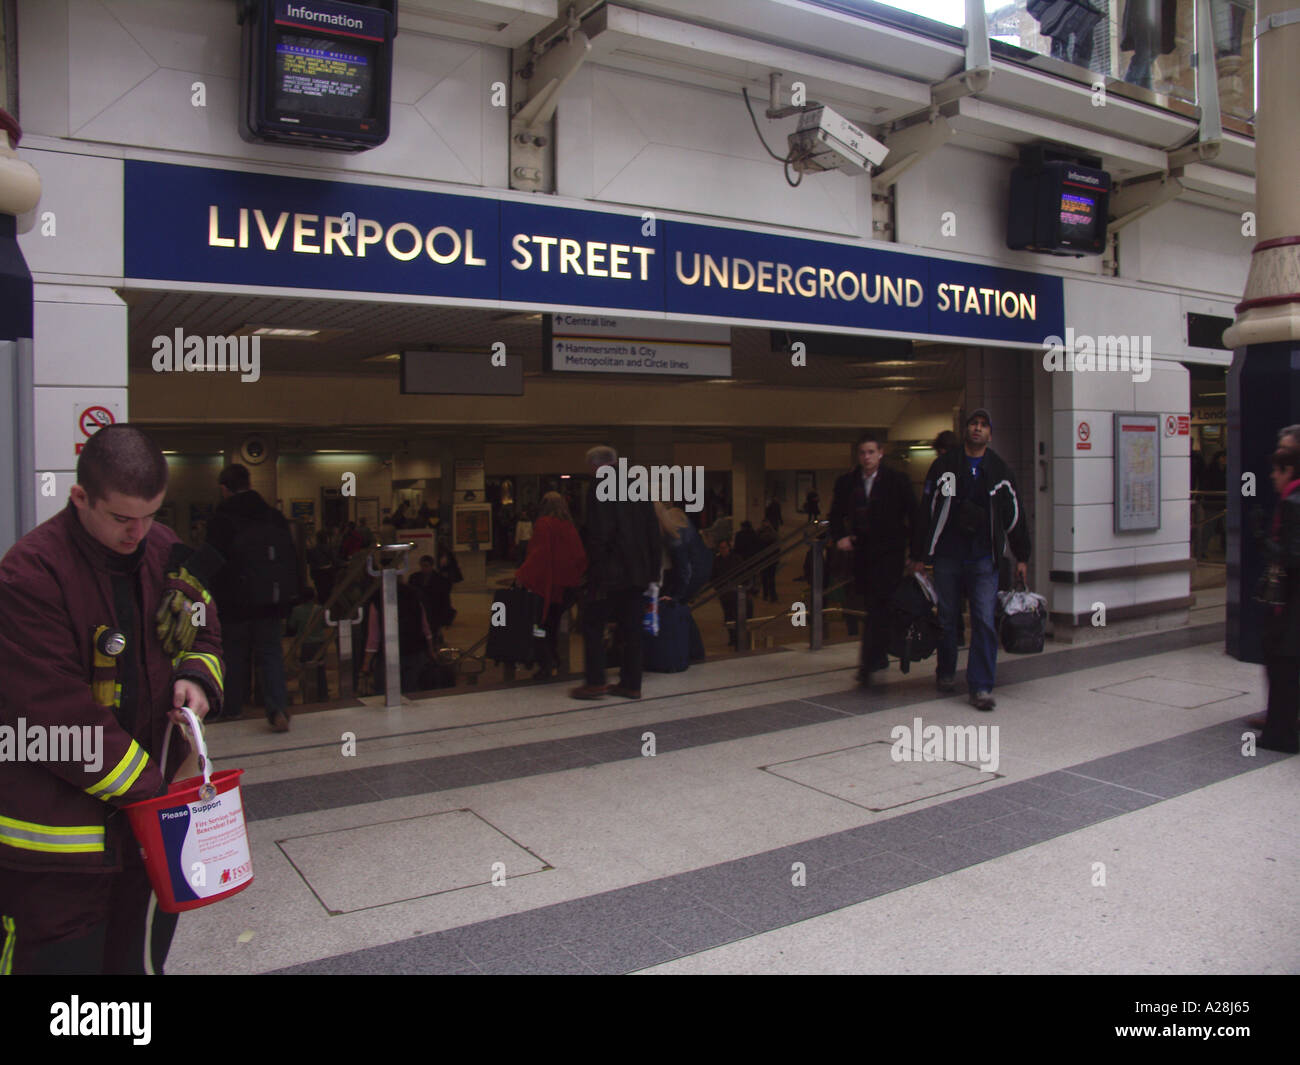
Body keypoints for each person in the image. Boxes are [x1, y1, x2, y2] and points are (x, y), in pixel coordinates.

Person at [0, 424, 225, 974]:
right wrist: (159, 799)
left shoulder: (166, 551)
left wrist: (195, 678)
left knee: (134, 965)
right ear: (80, 498)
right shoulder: (29, 574)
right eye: (122, 518)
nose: (138, 532)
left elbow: (205, 633)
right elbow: (54, 717)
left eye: (151, 514)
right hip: (60, 843)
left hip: (141, 834)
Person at [916, 409, 1031, 711]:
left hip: (983, 556)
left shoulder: (1000, 471)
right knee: (947, 617)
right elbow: (926, 510)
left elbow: (1014, 516)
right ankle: (946, 671)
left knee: (982, 619)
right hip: (948, 555)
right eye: (973, 425)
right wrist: (920, 553)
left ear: (990, 434)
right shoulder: (945, 467)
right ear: (966, 430)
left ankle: (980, 686)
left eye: (983, 426)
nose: (977, 429)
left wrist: (1022, 555)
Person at [205, 463, 299, 732]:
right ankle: (278, 707)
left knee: (233, 655)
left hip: (233, 602)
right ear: (249, 483)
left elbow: (212, 562)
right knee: (270, 654)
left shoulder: (221, 520)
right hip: (270, 601)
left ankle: (231, 708)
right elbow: (290, 558)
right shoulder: (272, 516)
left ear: (224, 489)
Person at [828, 430, 919, 686]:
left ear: (880, 454)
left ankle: (868, 663)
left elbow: (914, 515)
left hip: (890, 552)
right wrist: (839, 537)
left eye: (871, 452)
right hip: (863, 554)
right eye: (862, 453)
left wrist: (916, 553)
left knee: (878, 607)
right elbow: (834, 514)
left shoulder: (897, 481)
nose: (867, 457)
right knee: (874, 606)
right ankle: (878, 657)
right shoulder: (848, 482)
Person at [572, 446, 661, 700]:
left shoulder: (599, 487)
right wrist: (653, 573)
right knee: (632, 629)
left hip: (609, 574)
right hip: (638, 574)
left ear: (594, 466)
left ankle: (595, 681)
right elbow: (653, 532)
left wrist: (594, 571)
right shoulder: (637, 485)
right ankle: (632, 684)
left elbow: (599, 534)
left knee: (592, 625)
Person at [1251, 446, 1300, 753]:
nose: (1272, 477)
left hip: (1290, 602)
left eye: (1276, 471)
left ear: (1288, 472)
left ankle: (1279, 734)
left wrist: (1261, 538)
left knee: (1281, 665)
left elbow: (1291, 555)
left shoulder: (1292, 504)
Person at [516, 492, 588, 680]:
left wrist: (522, 574)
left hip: (547, 588)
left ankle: (545, 662)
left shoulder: (543, 524)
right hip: (567, 589)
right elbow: (580, 557)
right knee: (553, 625)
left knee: (539, 626)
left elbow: (538, 555)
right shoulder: (569, 526)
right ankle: (553, 658)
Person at [359, 577, 436, 695]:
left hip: (388, 656)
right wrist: (431, 651)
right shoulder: (414, 596)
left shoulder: (377, 599)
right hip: (414, 652)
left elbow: (374, 636)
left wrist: (366, 663)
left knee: (385, 694)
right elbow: (425, 628)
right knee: (412, 692)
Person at [285, 586, 329, 701]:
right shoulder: (320, 609)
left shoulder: (296, 610)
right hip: (319, 643)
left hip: (305, 644)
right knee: (320, 669)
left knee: (306, 670)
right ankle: (323, 695)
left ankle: (308, 696)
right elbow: (325, 624)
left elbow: (291, 626)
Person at [409, 554, 455, 634]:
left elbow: (444, 600)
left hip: (434, 613)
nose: (424, 568)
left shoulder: (440, 580)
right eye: (422, 566)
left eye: (426, 566)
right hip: (419, 612)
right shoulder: (414, 578)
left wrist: (446, 620)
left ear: (431, 566)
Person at [306, 528, 336, 605]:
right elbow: (334, 560)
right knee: (328, 592)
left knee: (320, 592)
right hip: (328, 572)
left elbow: (308, 561)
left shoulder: (312, 550)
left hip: (317, 573)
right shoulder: (329, 548)